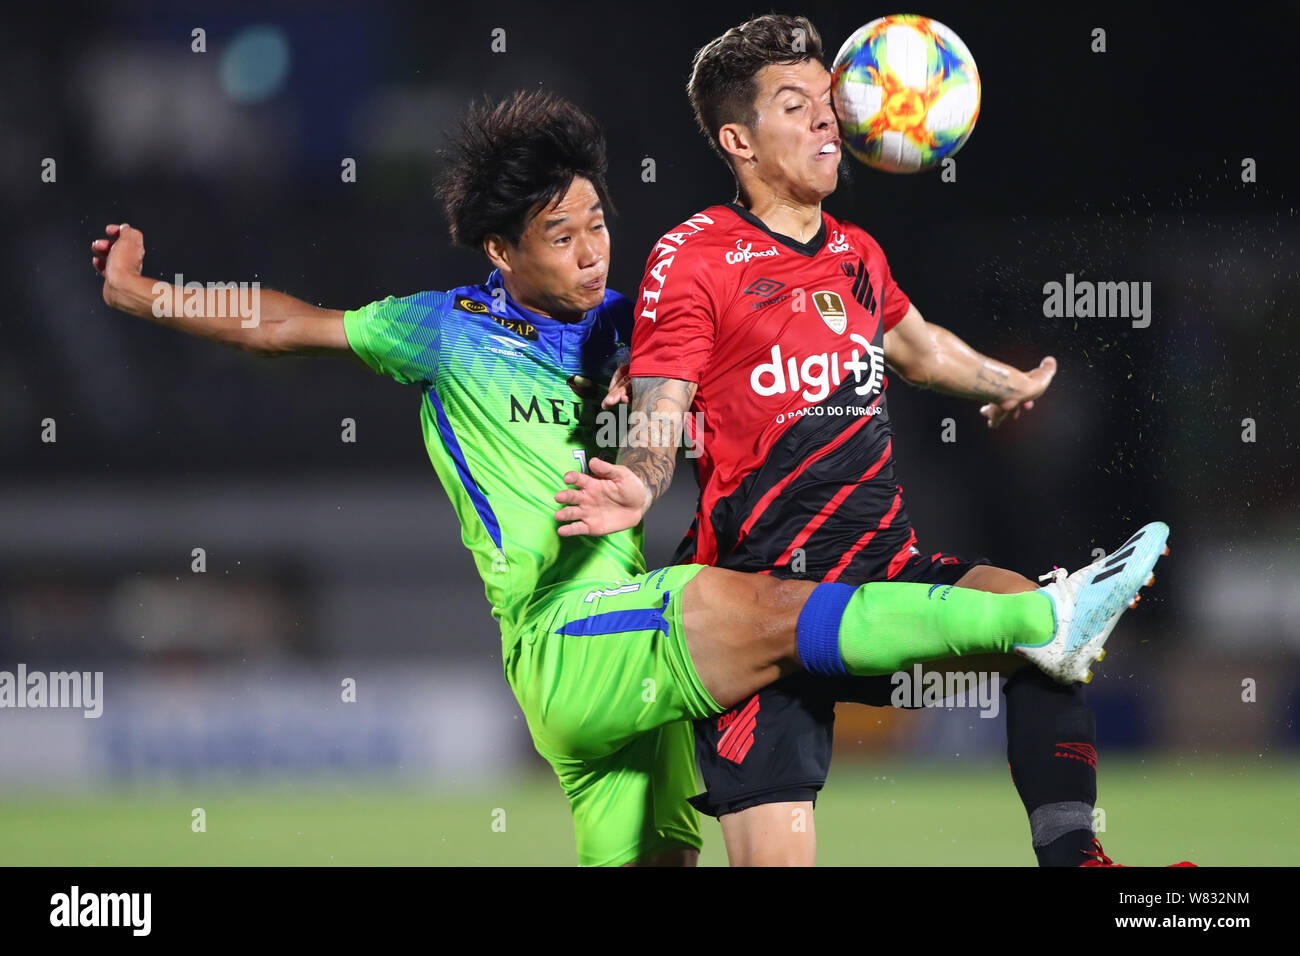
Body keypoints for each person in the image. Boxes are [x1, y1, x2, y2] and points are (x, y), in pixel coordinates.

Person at [93, 89, 1164, 868]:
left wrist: (945, 367)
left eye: (599, 221)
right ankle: (1043, 615)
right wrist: (144, 295)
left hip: (631, 676)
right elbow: (288, 324)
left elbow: (787, 357)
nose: (593, 249)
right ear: (499, 253)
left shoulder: (636, 320)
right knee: (756, 604)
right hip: (566, 637)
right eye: (560, 236)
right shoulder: (443, 330)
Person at [554, 15, 1175, 867]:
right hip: (758, 611)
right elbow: (664, 403)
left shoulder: (855, 254)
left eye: (827, 100)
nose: (827, 120)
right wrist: (639, 478)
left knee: (1048, 631)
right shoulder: (694, 256)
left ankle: (1078, 862)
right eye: (795, 104)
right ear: (738, 138)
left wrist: (1007, 382)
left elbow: (919, 349)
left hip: (885, 573)